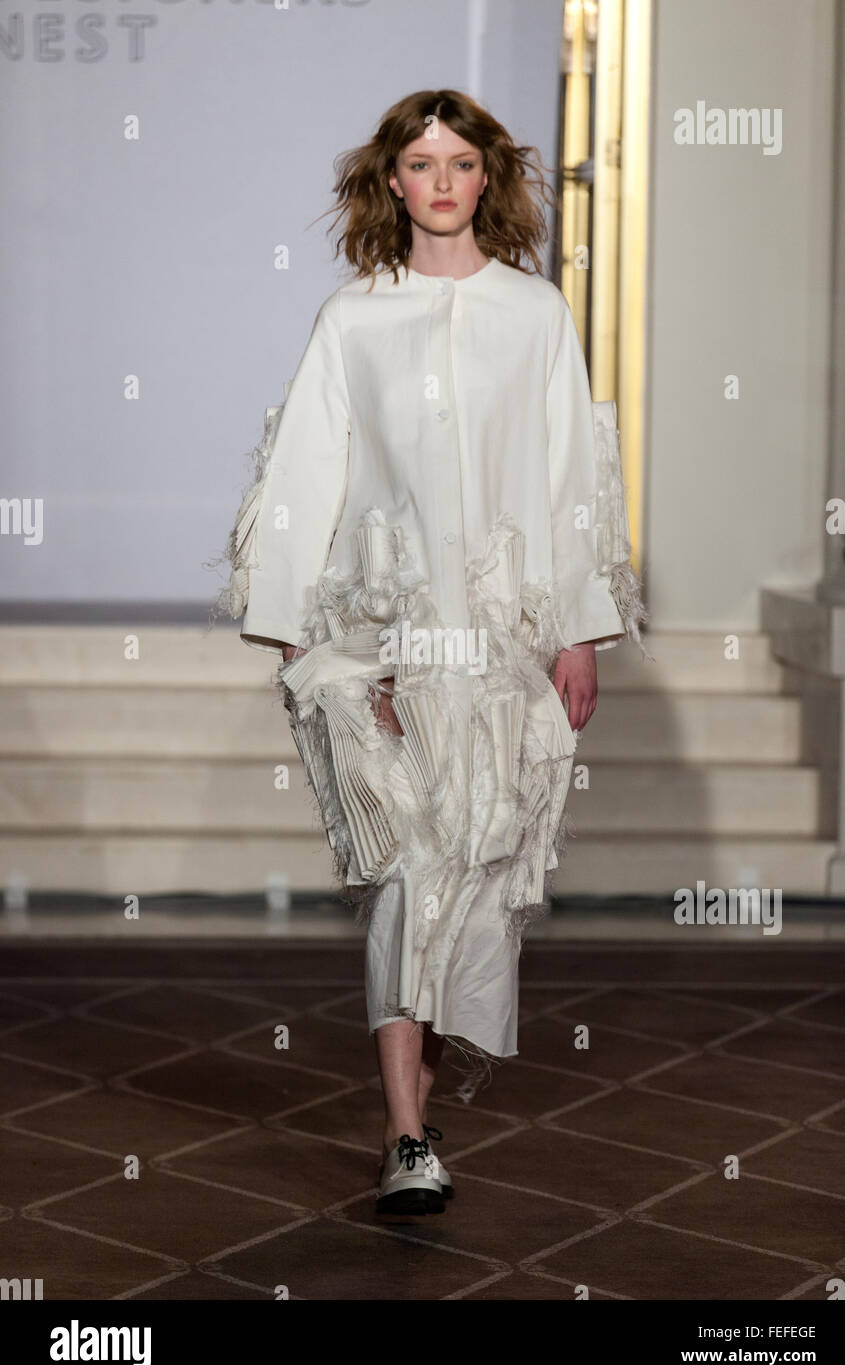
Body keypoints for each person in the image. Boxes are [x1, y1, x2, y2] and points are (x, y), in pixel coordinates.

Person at [214, 88, 646, 1217]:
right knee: (409, 877)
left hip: (502, 655)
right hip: (388, 643)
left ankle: (424, 1108)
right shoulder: (354, 321)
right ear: (391, 182)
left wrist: (581, 632)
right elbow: (311, 469)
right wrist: (308, 642)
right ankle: (406, 1134)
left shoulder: (534, 315)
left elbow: (568, 485)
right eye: (422, 161)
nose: (443, 180)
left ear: (485, 178)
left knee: (478, 885)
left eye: (461, 161)